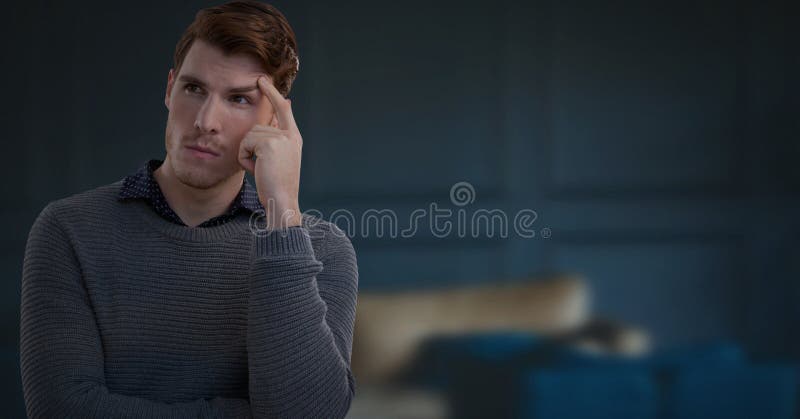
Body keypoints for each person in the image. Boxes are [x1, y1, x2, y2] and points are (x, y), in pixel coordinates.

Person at [19, 1, 358, 418]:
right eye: (194, 89)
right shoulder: (68, 229)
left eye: (238, 99)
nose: (205, 121)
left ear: (273, 122)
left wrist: (282, 211)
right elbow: (61, 410)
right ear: (169, 88)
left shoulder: (322, 248)